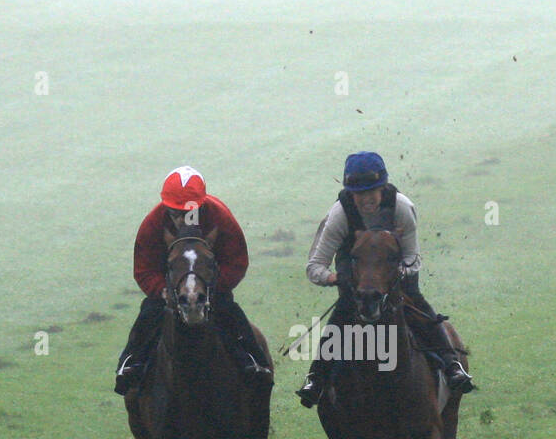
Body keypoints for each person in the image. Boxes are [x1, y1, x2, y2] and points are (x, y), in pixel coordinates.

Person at [296, 151, 475, 407]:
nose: (365, 199)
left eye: (371, 192)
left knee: (418, 306)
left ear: (383, 188)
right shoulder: (339, 215)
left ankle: (452, 365)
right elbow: (314, 267)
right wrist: (336, 277)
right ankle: (316, 378)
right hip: (355, 275)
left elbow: (413, 258)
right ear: (350, 193)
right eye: (359, 194)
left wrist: (392, 277)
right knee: (343, 315)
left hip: (394, 272)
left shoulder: (402, 207)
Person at [114, 166, 273, 395]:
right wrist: (162, 291)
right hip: (168, 291)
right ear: (165, 205)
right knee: (148, 316)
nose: (181, 217)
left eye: (187, 210)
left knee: (231, 314)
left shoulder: (220, 217)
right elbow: (144, 270)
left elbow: (236, 262)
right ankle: (129, 364)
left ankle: (254, 362)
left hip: (211, 288)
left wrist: (211, 288)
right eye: (174, 211)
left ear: (201, 205)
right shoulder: (152, 223)